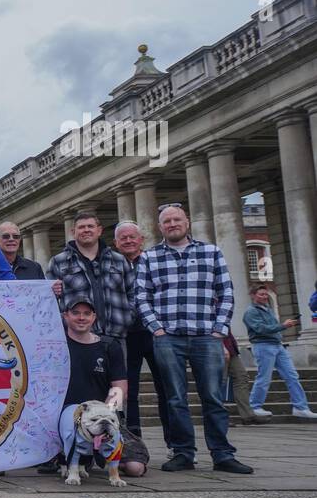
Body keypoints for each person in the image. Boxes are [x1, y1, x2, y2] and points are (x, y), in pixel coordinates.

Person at [135, 203, 252, 474]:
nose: (172, 224)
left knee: (213, 398)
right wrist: (157, 329)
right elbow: (142, 296)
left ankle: (222, 454)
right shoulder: (150, 258)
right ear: (160, 227)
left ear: (186, 222)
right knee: (175, 399)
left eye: (177, 220)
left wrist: (219, 329)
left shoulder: (211, 252)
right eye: (167, 221)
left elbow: (225, 292)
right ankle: (183, 452)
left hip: (206, 336)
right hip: (168, 337)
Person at [58, 295, 147, 479]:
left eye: (86, 313)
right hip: (63, 423)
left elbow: (119, 388)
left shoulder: (109, 346)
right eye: (75, 313)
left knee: (135, 468)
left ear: (94, 317)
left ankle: (98, 457)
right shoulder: (55, 346)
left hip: (100, 419)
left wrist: (105, 413)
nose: (81, 318)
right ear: (66, 316)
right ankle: (74, 457)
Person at [113, 221, 171, 448]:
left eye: (132, 237)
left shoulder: (156, 262)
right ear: (116, 243)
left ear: (141, 240)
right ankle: (133, 441)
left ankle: (173, 442)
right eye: (123, 238)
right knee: (128, 391)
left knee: (166, 388)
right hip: (127, 333)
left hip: (156, 332)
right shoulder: (113, 265)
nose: (128, 241)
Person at [48, 211, 135, 340]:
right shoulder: (58, 262)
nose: (86, 230)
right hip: (76, 338)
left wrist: (128, 317)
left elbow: (133, 292)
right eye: (81, 227)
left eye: (90, 226)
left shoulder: (119, 260)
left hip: (115, 335)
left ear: (99, 230)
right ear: (73, 232)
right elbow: (49, 300)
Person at [244, 283, 317, 420]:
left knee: (292, 375)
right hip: (263, 345)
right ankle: (255, 406)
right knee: (264, 377)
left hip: (277, 345)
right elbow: (260, 329)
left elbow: (271, 327)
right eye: (261, 294)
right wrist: (283, 326)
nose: (265, 296)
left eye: (266, 294)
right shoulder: (251, 312)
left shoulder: (267, 309)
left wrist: (282, 326)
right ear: (253, 295)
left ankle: (300, 407)